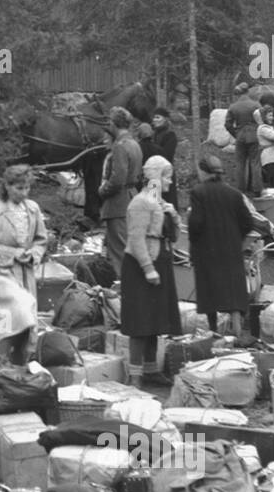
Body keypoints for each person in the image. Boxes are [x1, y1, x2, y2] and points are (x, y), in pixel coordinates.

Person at [0, 165, 49, 366]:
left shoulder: (32, 209)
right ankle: (3, 359)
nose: (24, 193)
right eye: (19, 188)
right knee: (20, 306)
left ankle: (19, 362)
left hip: (24, 271)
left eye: (27, 188)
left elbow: (41, 239)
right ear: (7, 186)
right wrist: (11, 254)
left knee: (22, 318)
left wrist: (34, 254)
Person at [122, 156, 183, 387]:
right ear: (155, 177)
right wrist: (148, 268)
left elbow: (174, 237)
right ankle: (135, 374)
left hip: (161, 262)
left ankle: (151, 370)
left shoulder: (161, 203)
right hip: (140, 266)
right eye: (166, 176)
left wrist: (174, 215)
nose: (169, 181)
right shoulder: (141, 202)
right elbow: (136, 238)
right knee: (140, 322)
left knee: (156, 320)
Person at [187, 155, 254, 335]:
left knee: (210, 292)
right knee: (232, 290)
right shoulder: (233, 194)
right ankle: (237, 330)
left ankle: (213, 330)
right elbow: (248, 222)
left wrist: (194, 242)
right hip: (231, 249)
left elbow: (196, 223)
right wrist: (236, 238)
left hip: (207, 250)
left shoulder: (198, 192)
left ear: (203, 171)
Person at [98, 106, 142, 275]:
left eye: (110, 122)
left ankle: (126, 290)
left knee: (119, 251)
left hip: (118, 203)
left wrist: (102, 191)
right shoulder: (134, 144)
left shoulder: (120, 146)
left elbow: (117, 180)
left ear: (114, 124)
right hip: (131, 198)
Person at [225, 81, 263, 194]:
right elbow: (263, 120)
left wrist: (236, 134)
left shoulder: (233, 106)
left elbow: (227, 124)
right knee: (255, 163)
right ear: (248, 92)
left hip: (240, 137)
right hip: (254, 136)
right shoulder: (256, 105)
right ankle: (257, 190)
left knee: (240, 163)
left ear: (238, 93)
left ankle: (240, 190)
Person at [150, 108, 179, 208]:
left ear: (165, 119)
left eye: (158, 117)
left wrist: (151, 147)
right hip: (153, 174)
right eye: (154, 117)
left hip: (166, 174)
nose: (154, 120)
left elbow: (167, 155)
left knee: (167, 204)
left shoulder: (170, 135)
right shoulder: (153, 134)